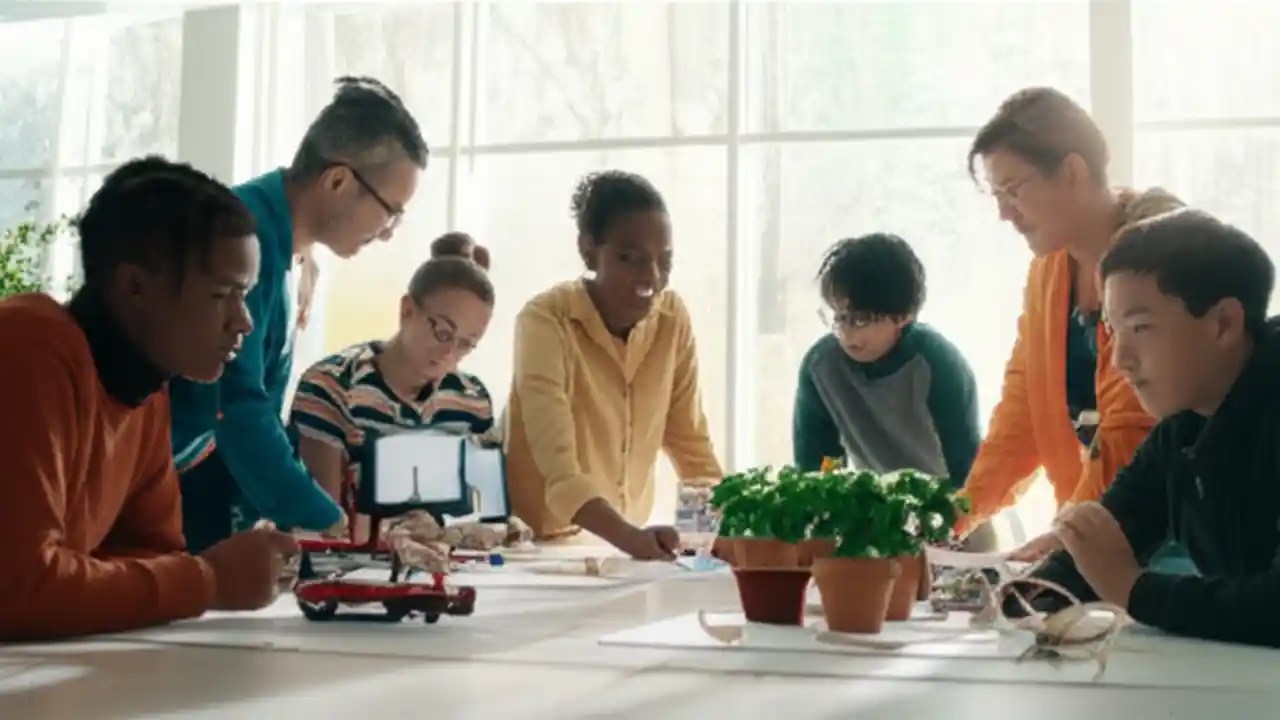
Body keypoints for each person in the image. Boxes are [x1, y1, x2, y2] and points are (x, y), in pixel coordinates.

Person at [0, 157, 298, 641]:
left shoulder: (147, 388)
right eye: (224, 294)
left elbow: (149, 558)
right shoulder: (27, 346)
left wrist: (178, 579)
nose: (243, 321)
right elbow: (18, 587)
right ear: (136, 287)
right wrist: (210, 580)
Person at [170, 76, 429, 552]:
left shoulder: (289, 247)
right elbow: (236, 406)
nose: (389, 232)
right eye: (390, 210)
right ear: (337, 180)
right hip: (149, 488)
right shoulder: (242, 232)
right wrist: (332, 523)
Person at [1012, 209, 1280, 647]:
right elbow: (1109, 534)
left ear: (1223, 324)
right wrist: (1024, 592)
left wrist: (1129, 588)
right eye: (1114, 332)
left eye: (1141, 328)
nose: (1120, 360)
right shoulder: (1183, 427)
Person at [956, 87, 1185, 554]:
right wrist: (955, 516)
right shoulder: (1048, 268)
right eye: (996, 195)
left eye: (1013, 189)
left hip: (1170, 540)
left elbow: (1132, 432)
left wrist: (1061, 543)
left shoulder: (1164, 256)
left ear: (1072, 172)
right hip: (1092, 533)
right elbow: (1022, 412)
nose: (1003, 213)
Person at [505, 170, 722, 559]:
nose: (651, 277)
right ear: (589, 251)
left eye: (664, 261)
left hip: (618, 546)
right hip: (534, 548)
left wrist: (709, 541)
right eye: (629, 258)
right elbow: (560, 473)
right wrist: (632, 540)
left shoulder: (672, 319)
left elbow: (691, 446)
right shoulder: (544, 320)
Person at [289, 255, 496, 542]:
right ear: (407, 310)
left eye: (465, 344)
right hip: (351, 574)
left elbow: (490, 511)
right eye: (443, 332)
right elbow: (323, 525)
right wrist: (398, 533)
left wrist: (478, 529)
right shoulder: (332, 386)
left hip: (451, 570)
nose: (450, 353)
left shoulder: (471, 399)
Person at [793, 233, 981, 487]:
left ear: (903, 315)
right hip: (880, 507)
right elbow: (818, 467)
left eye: (861, 320)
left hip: (951, 502)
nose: (847, 334)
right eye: (839, 318)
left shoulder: (938, 364)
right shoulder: (821, 367)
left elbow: (966, 467)